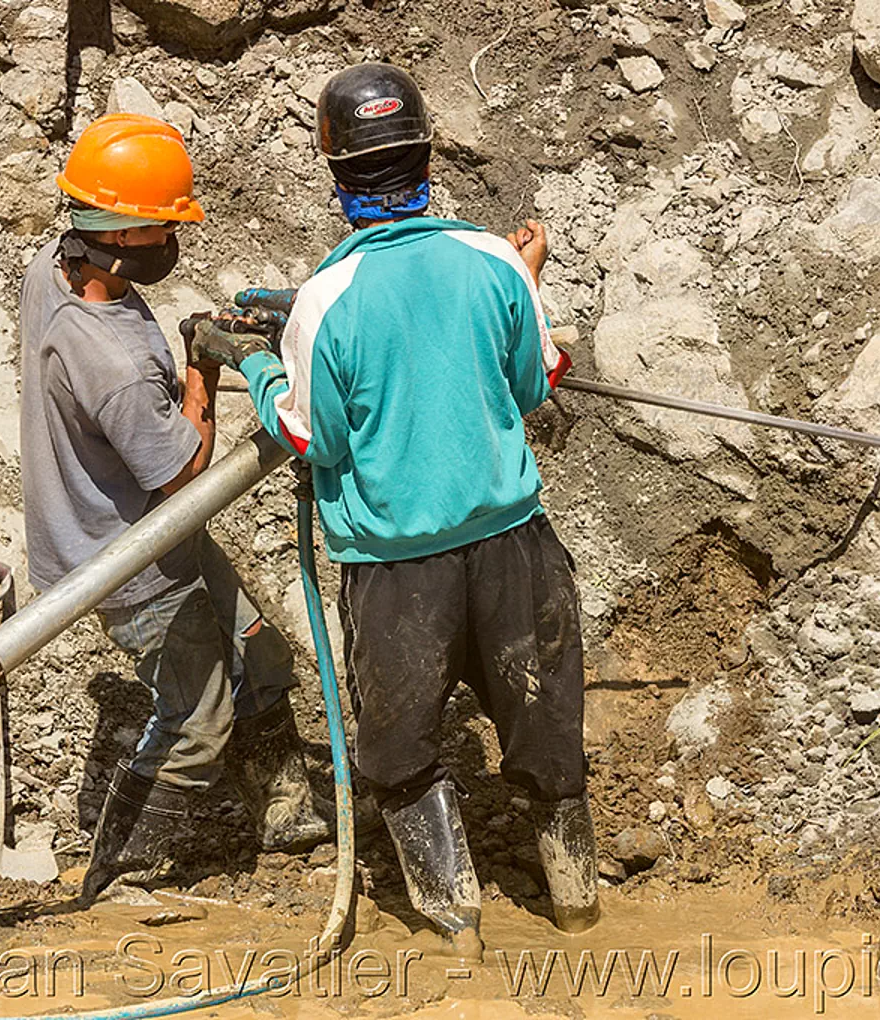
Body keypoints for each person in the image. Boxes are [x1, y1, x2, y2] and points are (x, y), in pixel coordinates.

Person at [190, 65, 598, 956]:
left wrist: (254, 364)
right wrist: (523, 282)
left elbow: (315, 440)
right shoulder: (494, 261)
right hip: (513, 548)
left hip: (396, 571)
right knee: (544, 724)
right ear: (426, 155)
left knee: (402, 751)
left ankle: (458, 941)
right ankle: (577, 908)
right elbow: (533, 381)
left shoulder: (326, 305)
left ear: (338, 178)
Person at [17, 113, 329, 903]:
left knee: (260, 657)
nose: (171, 242)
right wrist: (203, 371)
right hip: (128, 555)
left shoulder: (50, 269)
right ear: (122, 236)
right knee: (195, 719)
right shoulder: (111, 360)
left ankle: (288, 810)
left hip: (144, 533)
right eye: (163, 228)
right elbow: (183, 472)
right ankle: (122, 869)